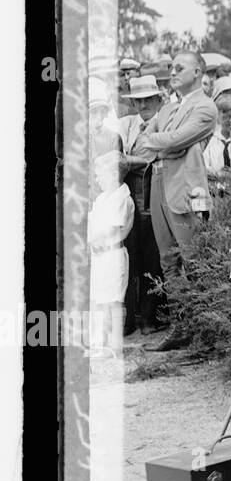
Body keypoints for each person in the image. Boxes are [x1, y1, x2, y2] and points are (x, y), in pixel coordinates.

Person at [128, 51, 219, 347]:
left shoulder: (206, 107)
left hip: (186, 190)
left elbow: (176, 140)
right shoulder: (167, 109)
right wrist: (168, 144)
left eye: (180, 67)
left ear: (198, 72)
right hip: (159, 185)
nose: (174, 72)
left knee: (193, 259)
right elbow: (149, 144)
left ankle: (204, 330)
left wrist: (165, 143)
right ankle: (182, 327)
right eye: (172, 67)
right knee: (168, 260)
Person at [119, 75, 166, 335]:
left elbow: (146, 157)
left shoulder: (163, 122)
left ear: (159, 99)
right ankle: (129, 320)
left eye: (149, 99)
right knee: (127, 256)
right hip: (124, 197)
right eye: (138, 100)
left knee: (152, 257)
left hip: (151, 194)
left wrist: (122, 159)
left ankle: (150, 319)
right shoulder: (126, 123)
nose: (143, 104)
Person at [89, 150, 134, 355]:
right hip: (100, 255)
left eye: (101, 175)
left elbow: (114, 227)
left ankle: (116, 344)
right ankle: (100, 342)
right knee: (99, 299)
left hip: (113, 255)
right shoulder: (102, 199)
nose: (97, 179)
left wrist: (94, 236)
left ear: (114, 175)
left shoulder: (122, 198)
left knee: (114, 300)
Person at [202, 79, 231, 195]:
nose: (230, 119)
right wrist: (218, 174)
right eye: (224, 112)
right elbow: (201, 168)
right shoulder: (209, 133)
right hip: (213, 192)